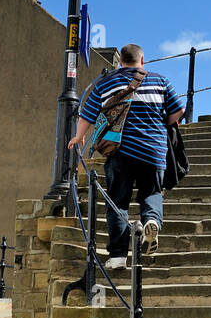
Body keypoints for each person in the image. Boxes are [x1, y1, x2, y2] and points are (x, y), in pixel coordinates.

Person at [68, 44, 185, 269]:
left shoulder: (106, 83)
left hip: (120, 151)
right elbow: (178, 110)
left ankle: (119, 256)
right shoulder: (160, 81)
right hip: (153, 150)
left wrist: (78, 137)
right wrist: (163, 123)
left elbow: (88, 113)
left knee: (117, 202)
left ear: (120, 62)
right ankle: (151, 220)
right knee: (151, 192)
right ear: (143, 62)